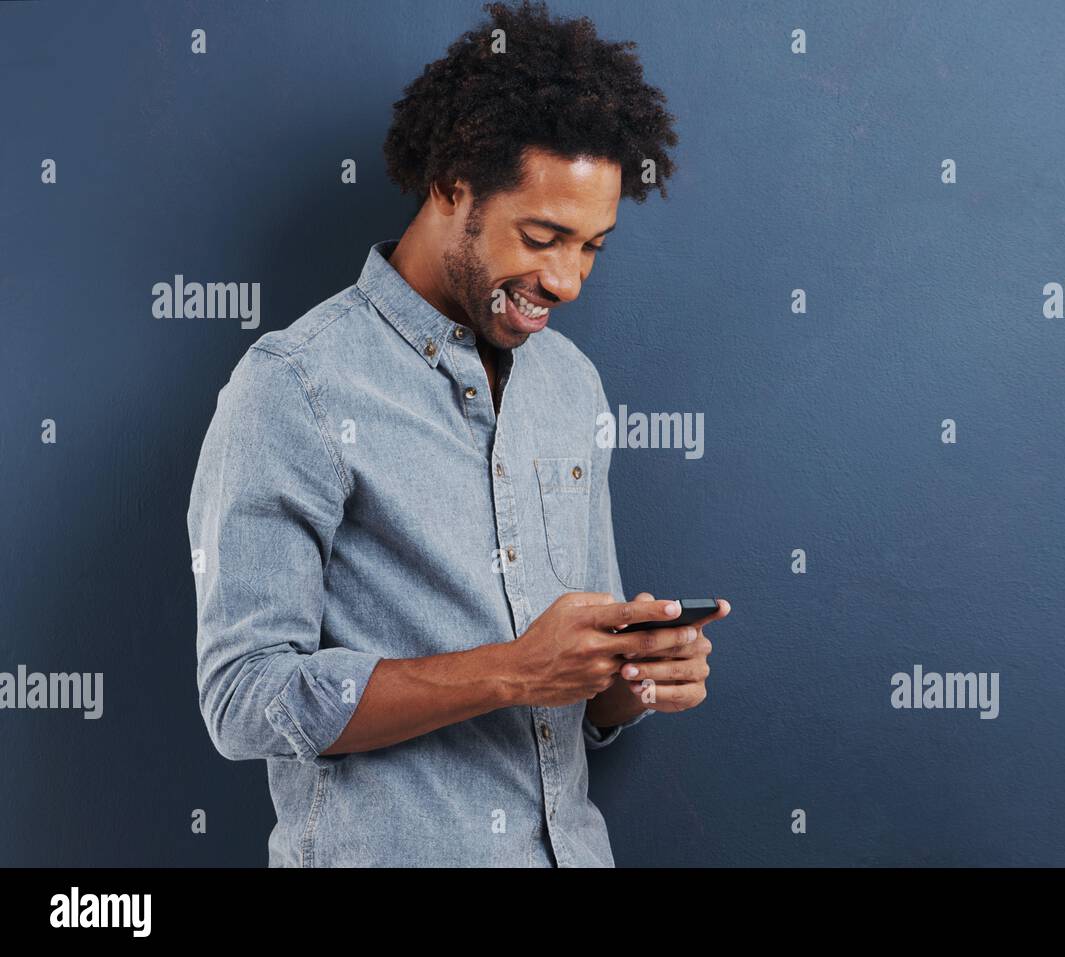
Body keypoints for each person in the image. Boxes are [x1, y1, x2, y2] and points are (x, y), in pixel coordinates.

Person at [186, 0, 730, 867]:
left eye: (594, 246)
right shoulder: (294, 386)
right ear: (451, 186)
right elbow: (244, 699)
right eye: (545, 236)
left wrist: (630, 682)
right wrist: (512, 669)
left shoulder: (571, 385)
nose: (569, 280)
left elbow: (572, 689)